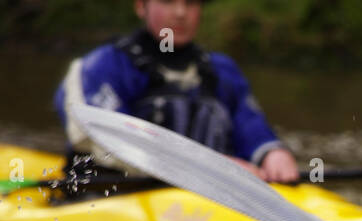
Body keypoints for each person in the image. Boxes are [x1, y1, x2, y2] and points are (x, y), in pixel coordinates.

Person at [53, 0, 297, 190]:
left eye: (190, 3)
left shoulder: (223, 71)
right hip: (117, 195)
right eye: (168, 2)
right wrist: (207, 167)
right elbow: (108, 138)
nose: (180, 12)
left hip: (205, 199)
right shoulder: (103, 66)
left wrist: (271, 153)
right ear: (141, 6)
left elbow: (249, 123)